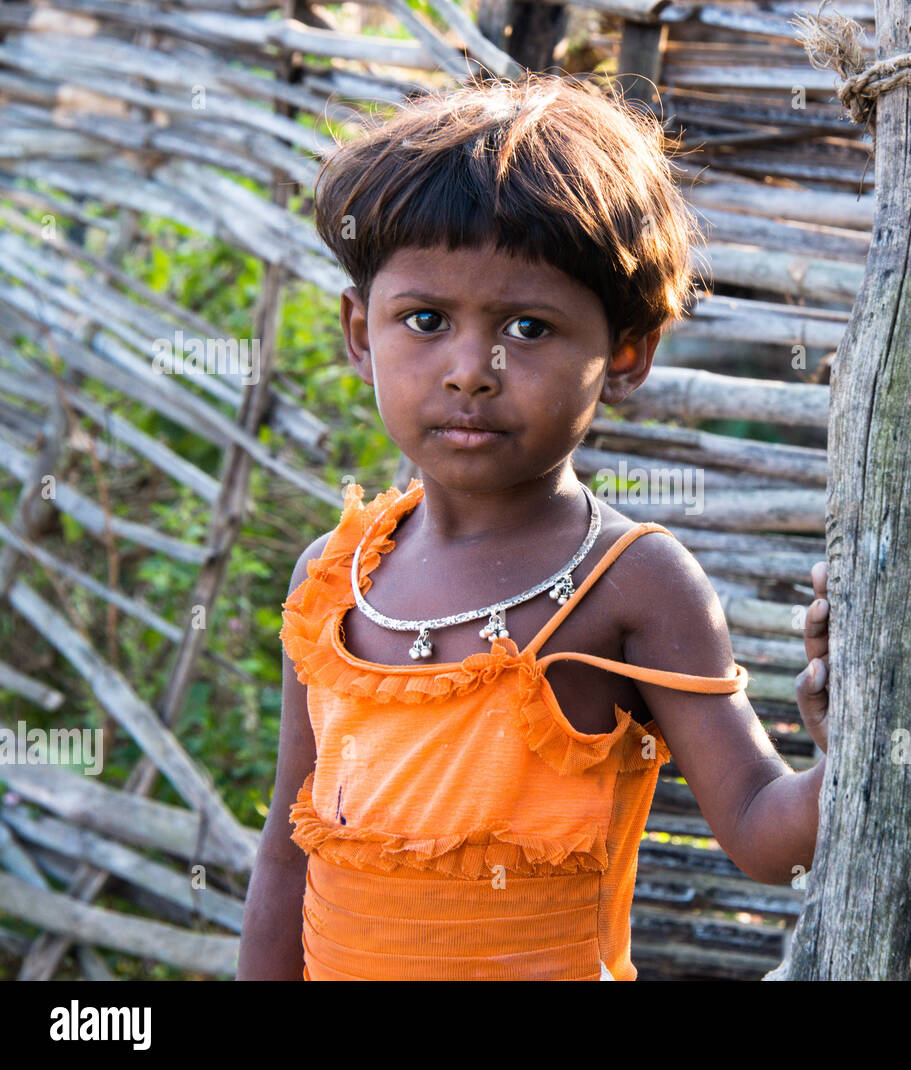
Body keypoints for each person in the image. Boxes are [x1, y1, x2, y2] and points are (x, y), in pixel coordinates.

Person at [237, 72, 832, 981]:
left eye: (528, 325)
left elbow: (763, 836)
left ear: (626, 353)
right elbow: (287, 858)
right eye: (425, 320)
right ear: (361, 333)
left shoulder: (632, 582)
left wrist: (847, 756)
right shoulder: (334, 577)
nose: (472, 369)